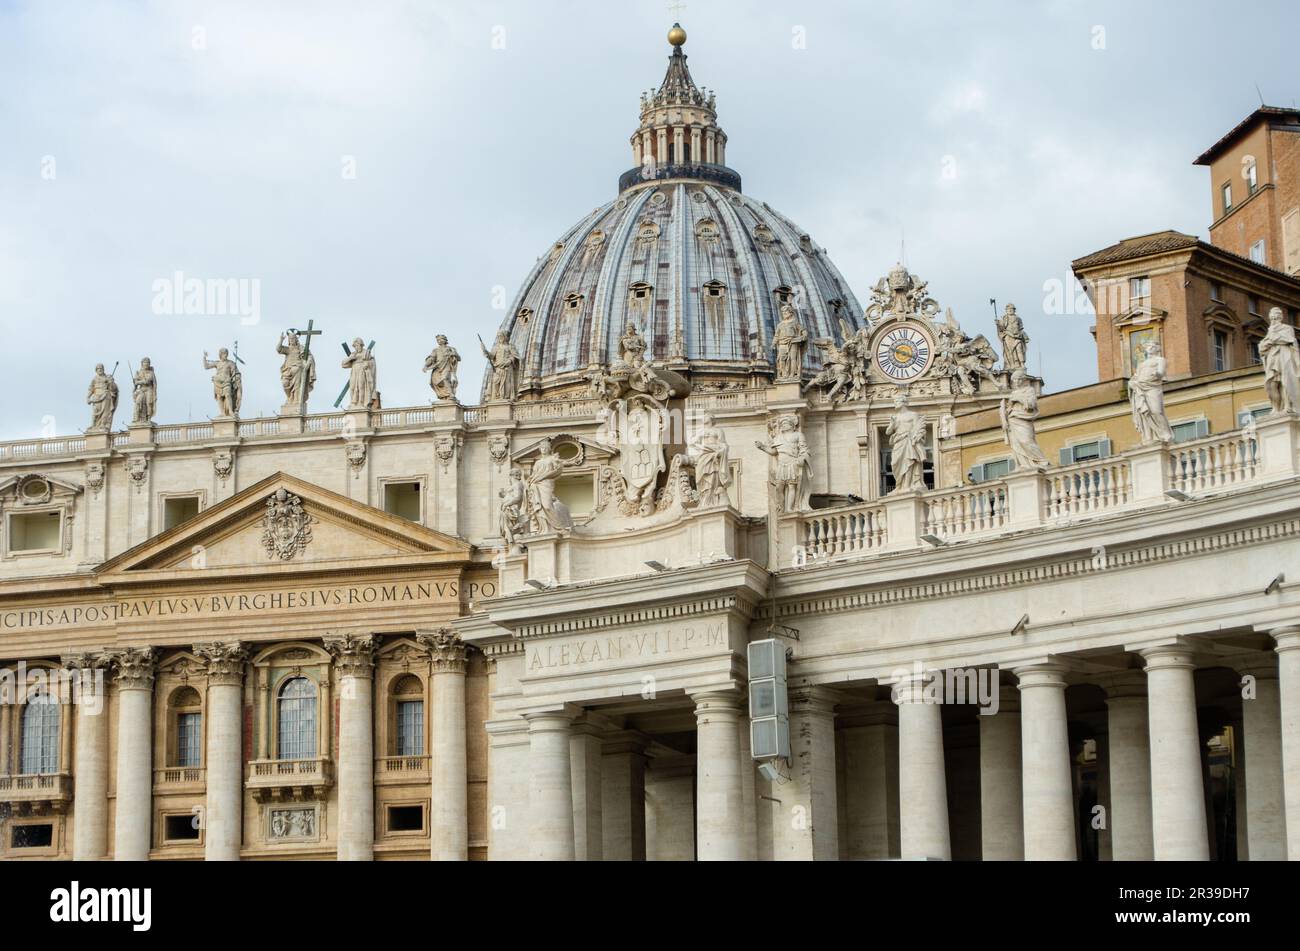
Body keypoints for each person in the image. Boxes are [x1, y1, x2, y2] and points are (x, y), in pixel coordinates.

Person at [755, 415, 812, 512]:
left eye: (786, 424)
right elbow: (774, 452)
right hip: (781, 464)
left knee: (791, 486)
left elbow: (804, 449)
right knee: (778, 487)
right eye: (782, 424)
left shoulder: (798, 435)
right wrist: (762, 447)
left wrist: (802, 458)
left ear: (792, 426)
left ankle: (790, 508)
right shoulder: (778, 437)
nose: (784, 426)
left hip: (792, 462)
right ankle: (781, 506)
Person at [1128, 341, 1174, 444]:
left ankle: (1166, 433)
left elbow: (1161, 372)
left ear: (1157, 349)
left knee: (1156, 411)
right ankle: (1151, 436)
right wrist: (1132, 383)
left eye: (1153, 346)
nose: (1150, 347)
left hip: (1153, 387)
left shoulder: (1160, 360)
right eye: (1148, 346)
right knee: (1146, 412)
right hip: (1141, 387)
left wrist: (1156, 374)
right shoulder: (1141, 364)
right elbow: (1136, 377)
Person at [1259, 306, 1300, 416]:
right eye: (1272, 317)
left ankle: (1287, 406)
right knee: (1272, 384)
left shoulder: (1287, 328)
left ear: (1280, 317)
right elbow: (1262, 347)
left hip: (1284, 357)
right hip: (1273, 358)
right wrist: (1266, 344)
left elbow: (1291, 340)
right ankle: (1276, 408)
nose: (1273, 319)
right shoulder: (1270, 331)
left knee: (1285, 382)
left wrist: (1273, 340)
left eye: (1276, 317)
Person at [886, 391, 928, 493]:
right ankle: (899, 485)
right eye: (894, 401)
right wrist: (892, 424)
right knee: (895, 463)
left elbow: (920, 429)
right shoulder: (895, 417)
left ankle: (907, 485)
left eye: (897, 401)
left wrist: (916, 437)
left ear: (904, 402)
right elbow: (888, 432)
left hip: (909, 441)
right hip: (898, 442)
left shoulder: (913, 415)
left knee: (909, 461)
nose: (895, 403)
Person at [687, 412, 731, 507]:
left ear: (711, 419)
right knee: (701, 475)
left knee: (714, 474)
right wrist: (701, 447)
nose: (704, 418)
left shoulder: (718, 431)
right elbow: (691, 442)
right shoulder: (700, 431)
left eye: (707, 417)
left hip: (714, 453)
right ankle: (704, 497)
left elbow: (723, 444)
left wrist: (721, 450)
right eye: (704, 417)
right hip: (704, 454)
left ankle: (713, 498)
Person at [423, 334, 460, 401]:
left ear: (445, 340)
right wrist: (426, 365)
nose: (439, 341)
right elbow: (431, 358)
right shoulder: (436, 350)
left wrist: (453, 354)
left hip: (447, 366)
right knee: (433, 383)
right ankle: (444, 396)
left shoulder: (451, 349)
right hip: (437, 367)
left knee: (444, 378)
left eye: (440, 339)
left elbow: (459, 358)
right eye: (438, 340)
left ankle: (451, 394)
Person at [131, 358, 156, 424]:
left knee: (149, 403)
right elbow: (136, 383)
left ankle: (148, 418)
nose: (146, 364)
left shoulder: (151, 372)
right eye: (145, 362)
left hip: (148, 389)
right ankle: (138, 418)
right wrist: (135, 382)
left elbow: (147, 381)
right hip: (141, 390)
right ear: (142, 363)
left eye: (148, 363)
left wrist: (138, 382)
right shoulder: (138, 372)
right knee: (138, 402)